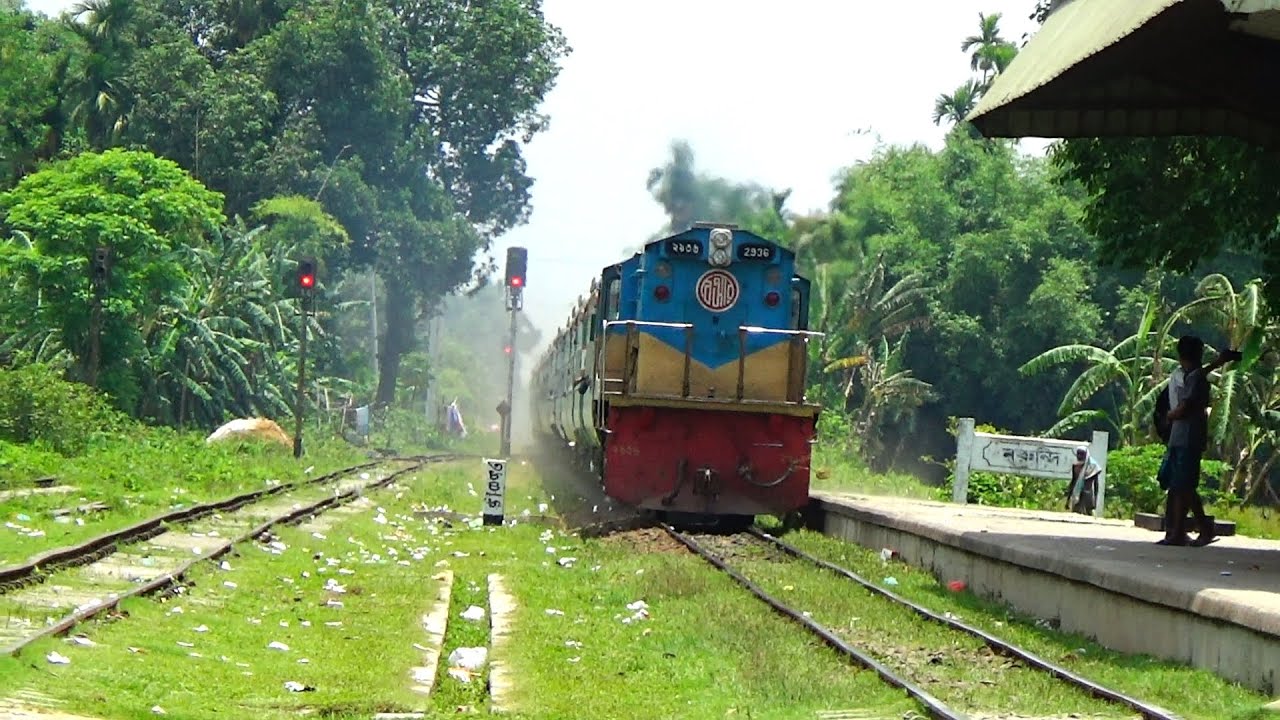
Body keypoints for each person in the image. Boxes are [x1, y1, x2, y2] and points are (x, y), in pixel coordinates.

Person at [1157, 336, 1240, 546]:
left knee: (1183, 486)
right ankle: (1180, 531)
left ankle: (1199, 528)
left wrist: (1169, 416)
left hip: (1186, 436)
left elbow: (1184, 408)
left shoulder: (1192, 378)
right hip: (1183, 436)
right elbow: (1200, 374)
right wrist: (1219, 362)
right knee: (1180, 486)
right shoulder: (1192, 376)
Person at [1066, 446, 1101, 515]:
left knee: (1088, 516)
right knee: (1075, 515)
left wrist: (1095, 501)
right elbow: (1073, 481)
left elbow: (1096, 485)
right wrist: (1068, 500)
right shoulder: (1075, 466)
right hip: (1077, 495)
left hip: (1088, 496)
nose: (1079, 456)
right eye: (1078, 454)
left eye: (1082, 454)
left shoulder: (1093, 467)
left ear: (1086, 455)